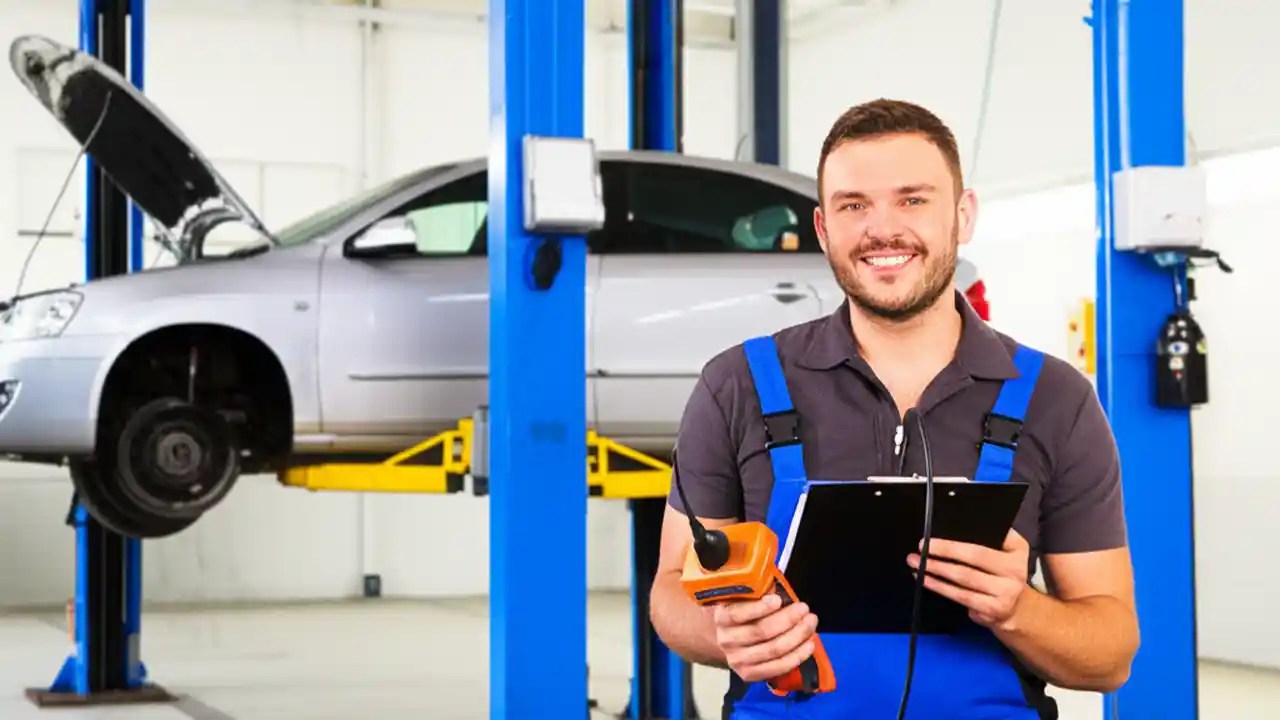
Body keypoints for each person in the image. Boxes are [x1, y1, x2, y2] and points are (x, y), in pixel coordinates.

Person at [648, 99, 1140, 719]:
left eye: (913, 199)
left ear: (962, 216)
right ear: (824, 229)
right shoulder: (737, 385)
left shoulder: (1054, 398)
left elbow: (1111, 656)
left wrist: (1018, 609)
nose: (883, 230)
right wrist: (723, 633)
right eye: (855, 205)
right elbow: (672, 593)